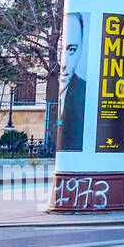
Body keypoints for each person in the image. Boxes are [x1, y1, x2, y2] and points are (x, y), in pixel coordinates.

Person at [57, 13, 86, 151]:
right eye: (61, 50)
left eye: (72, 50)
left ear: (81, 49)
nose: (64, 64)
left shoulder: (86, 92)